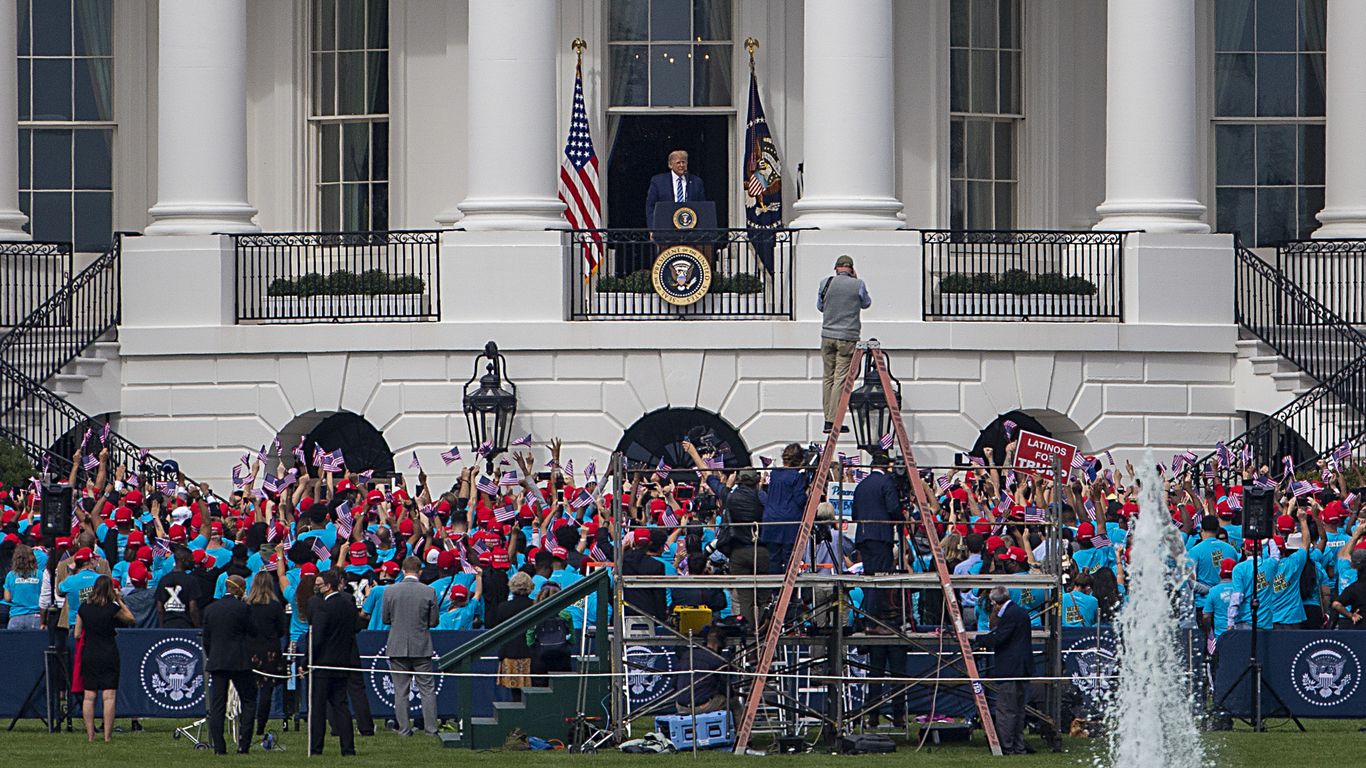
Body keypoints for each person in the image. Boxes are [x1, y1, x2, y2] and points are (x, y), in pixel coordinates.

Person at [381, 556, 440, 738]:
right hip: (421, 645)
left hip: (397, 645)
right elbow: (434, 621)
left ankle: (404, 729)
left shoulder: (390, 591)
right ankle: (431, 730)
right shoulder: (429, 591)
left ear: (403, 571)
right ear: (419, 571)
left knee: (400, 690)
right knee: (427, 690)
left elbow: (385, 619)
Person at [202, 575, 259, 755]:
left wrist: (213, 655)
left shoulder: (211, 609)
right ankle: (243, 744)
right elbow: (253, 631)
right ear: (240, 589)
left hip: (218, 660)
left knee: (218, 704)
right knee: (248, 700)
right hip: (239, 660)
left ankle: (219, 747)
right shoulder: (243, 608)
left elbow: (207, 638)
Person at [974, 586, 1035, 756]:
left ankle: (1007, 747)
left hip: (1010, 669)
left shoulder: (1009, 615)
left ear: (995, 602)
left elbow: (999, 637)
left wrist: (976, 638)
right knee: (1019, 710)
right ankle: (1018, 746)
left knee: (1006, 710)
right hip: (1022, 668)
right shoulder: (1021, 612)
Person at [307, 570, 360, 757]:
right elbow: (356, 628)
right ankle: (348, 748)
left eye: (319, 585)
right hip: (342, 662)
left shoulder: (323, 607)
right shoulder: (349, 606)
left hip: (323, 664)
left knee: (318, 708)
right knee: (341, 706)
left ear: (328, 586)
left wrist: (307, 660)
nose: (317, 588)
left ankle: (316, 748)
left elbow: (317, 638)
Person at [74, 575, 133, 742]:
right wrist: (119, 600)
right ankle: (107, 736)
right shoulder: (112, 608)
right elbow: (130, 618)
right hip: (108, 651)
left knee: (89, 696)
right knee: (108, 696)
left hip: (90, 652)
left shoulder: (84, 607)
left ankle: (90, 735)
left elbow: (77, 634)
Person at [817, 254, 871, 433]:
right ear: (851, 269)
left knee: (828, 378)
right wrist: (855, 281)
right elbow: (866, 304)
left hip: (827, 336)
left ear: (836, 268)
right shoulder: (858, 284)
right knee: (841, 378)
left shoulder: (825, 282)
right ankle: (833, 421)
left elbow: (820, 306)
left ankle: (827, 418)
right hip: (847, 336)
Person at [852, 452, 900, 629]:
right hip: (880, 535)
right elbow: (893, 507)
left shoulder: (861, 485)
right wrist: (900, 518)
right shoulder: (885, 482)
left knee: (869, 577)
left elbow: (855, 513)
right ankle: (874, 620)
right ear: (886, 467)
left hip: (863, 535)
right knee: (880, 578)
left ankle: (869, 618)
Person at [244, 569, 287, 737]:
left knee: (250, 691)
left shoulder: (247, 606)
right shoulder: (275, 606)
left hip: (251, 650)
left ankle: (247, 723)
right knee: (267, 691)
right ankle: (260, 726)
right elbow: (281, 630)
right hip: (270, 650)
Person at [491, 572, 536, 701]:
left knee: (514, 696)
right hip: (530, 654)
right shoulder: (534, 605)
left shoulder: (503, 607)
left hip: (509, 653)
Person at [645, 149, 706, 223]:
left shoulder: (696, 182)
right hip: (665, 225)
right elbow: (650, 206)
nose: (681, 165)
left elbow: (702, 206)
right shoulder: (658, 181)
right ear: (670, 165)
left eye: (683, 162)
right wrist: (652, 229)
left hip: (690, 224)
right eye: (678, 163)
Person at [4, 543, 42, 629]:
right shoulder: (40, 574)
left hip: (16, 616)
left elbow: (7, 598)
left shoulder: (11, 575)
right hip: (35, 616)